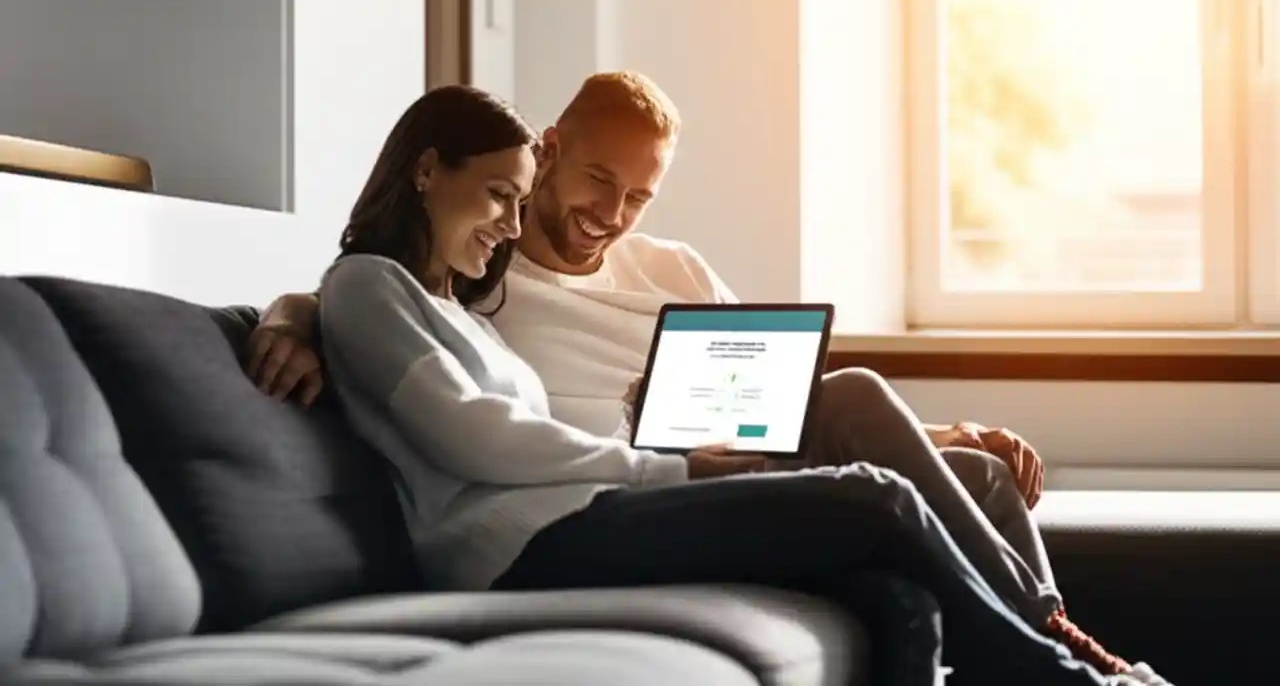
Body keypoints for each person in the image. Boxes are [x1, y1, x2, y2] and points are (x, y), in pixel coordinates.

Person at [248, 75, 1169, 685]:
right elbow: (363, 296)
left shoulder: (485, 286)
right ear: (551, 151)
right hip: (572, 511)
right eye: (589, 182)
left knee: (967, 481)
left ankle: (1056, 630)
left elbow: (786, 395)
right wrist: (288, 319)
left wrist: (944, 436)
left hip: (644, 479)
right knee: (876, 496)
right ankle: (1067, 667)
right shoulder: (467, 281)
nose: (607, 216)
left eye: (637, 198)